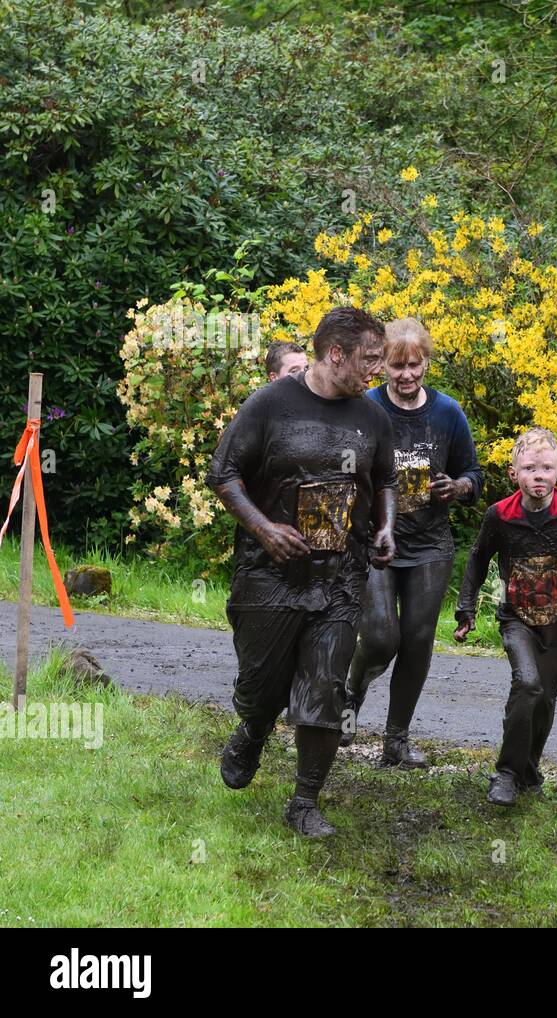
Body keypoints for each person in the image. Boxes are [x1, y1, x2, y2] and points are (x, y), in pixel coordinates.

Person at [207, 306, 397, 837]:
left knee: (325, 685)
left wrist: (385, 527)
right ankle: (253, 725)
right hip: (268, 573)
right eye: (369, 359)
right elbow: (223, 474)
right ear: (335, 354)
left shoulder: (373, 416)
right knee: (261, 685)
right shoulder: (270, 405)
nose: (377, 370)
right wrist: (265, 529)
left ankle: (305, 802)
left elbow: (384, 480)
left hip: (339, 576)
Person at [453, 427, 557, 806]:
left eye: (547, 468)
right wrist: (466, 610)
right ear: (514, 474)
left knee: (544, 701)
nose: (539, 476)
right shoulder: (499, 516)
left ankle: (529, 771)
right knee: (528, 685)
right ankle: (506, 773)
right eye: (530, 468)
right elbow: (478, 560)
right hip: (517, 621)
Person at [341, 318, 483, 767]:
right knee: (382, 636)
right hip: (375, 540)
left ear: (426, 363)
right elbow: (342, 466)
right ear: (382, 365)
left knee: (418, 642)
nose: (406, 375)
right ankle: (352, 691)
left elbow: (474, 476)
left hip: (429, 545)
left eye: (414, 366)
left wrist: (456, 488)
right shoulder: (364, 407)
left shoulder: (447, 413)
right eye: (397, 366)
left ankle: (396, 741)